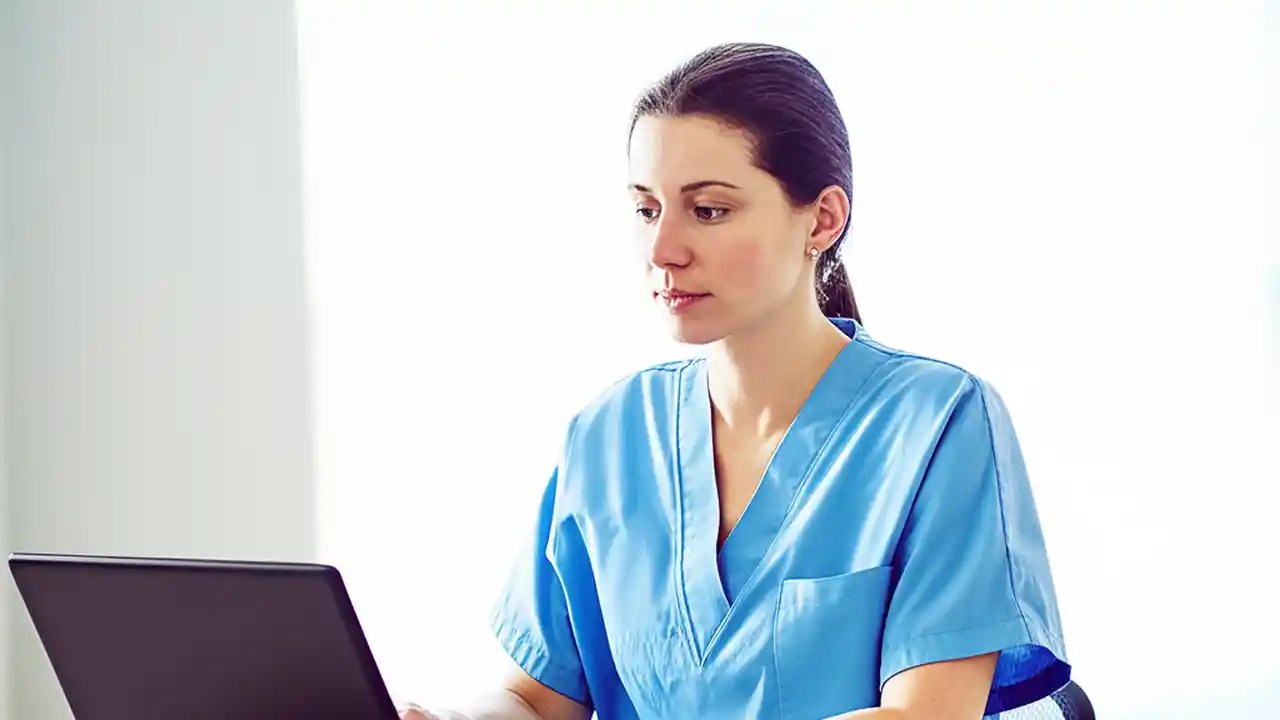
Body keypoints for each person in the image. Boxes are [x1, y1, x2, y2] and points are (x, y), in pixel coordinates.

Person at [400, 42, 1069, 720]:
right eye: (646, 209)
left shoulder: (938, 422)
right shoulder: (611, 434)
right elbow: (538, 700)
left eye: (709, 210)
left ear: (823, 219)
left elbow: (925, 715)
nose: (664, 250)